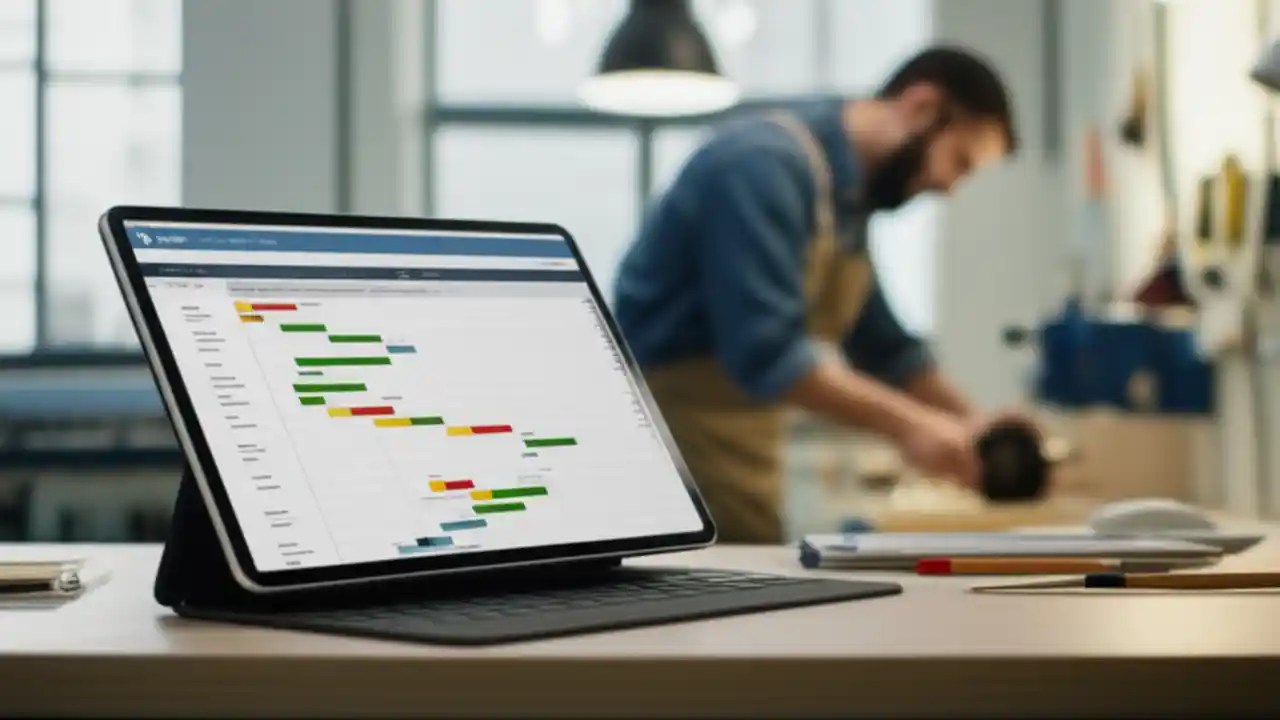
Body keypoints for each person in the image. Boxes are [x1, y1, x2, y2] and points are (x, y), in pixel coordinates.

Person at [613, 46, 1019, 542]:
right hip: (668, 448)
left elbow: (886, 348)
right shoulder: (762, 166)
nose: (949, 187)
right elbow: (767, 354)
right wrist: (913, 428)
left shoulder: (841, 198)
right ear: (922, 108)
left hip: (740, 442)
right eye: (960, 162)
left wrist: (974, 425)